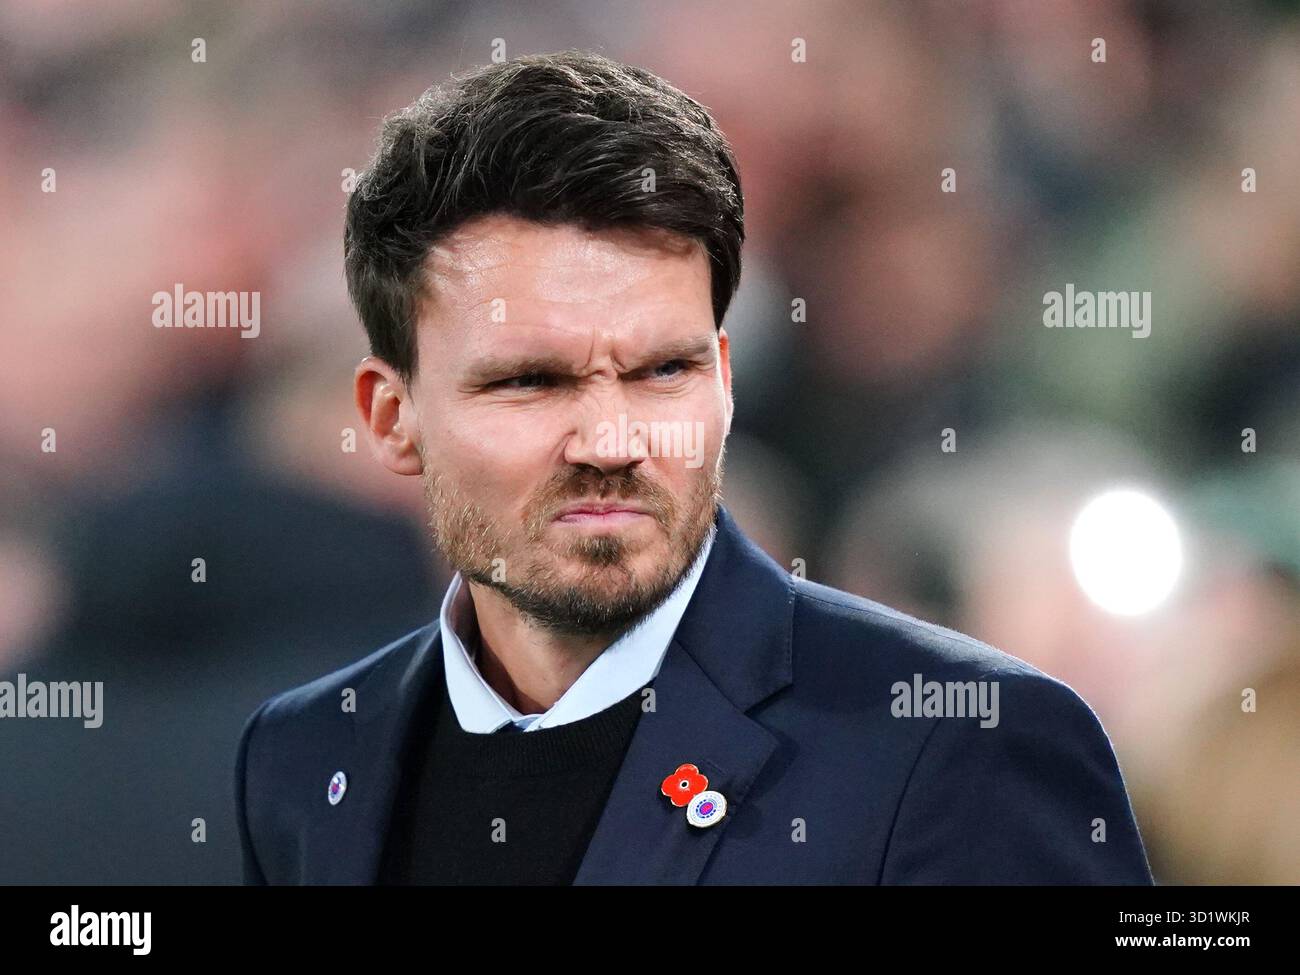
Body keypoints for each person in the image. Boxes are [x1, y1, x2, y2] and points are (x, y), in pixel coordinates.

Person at [234, 49, 1153, 885]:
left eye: (662, 371)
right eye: (530, 381)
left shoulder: (962, 745)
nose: (611, 441)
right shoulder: (303, 757)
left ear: (723, 380)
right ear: (392, 420)